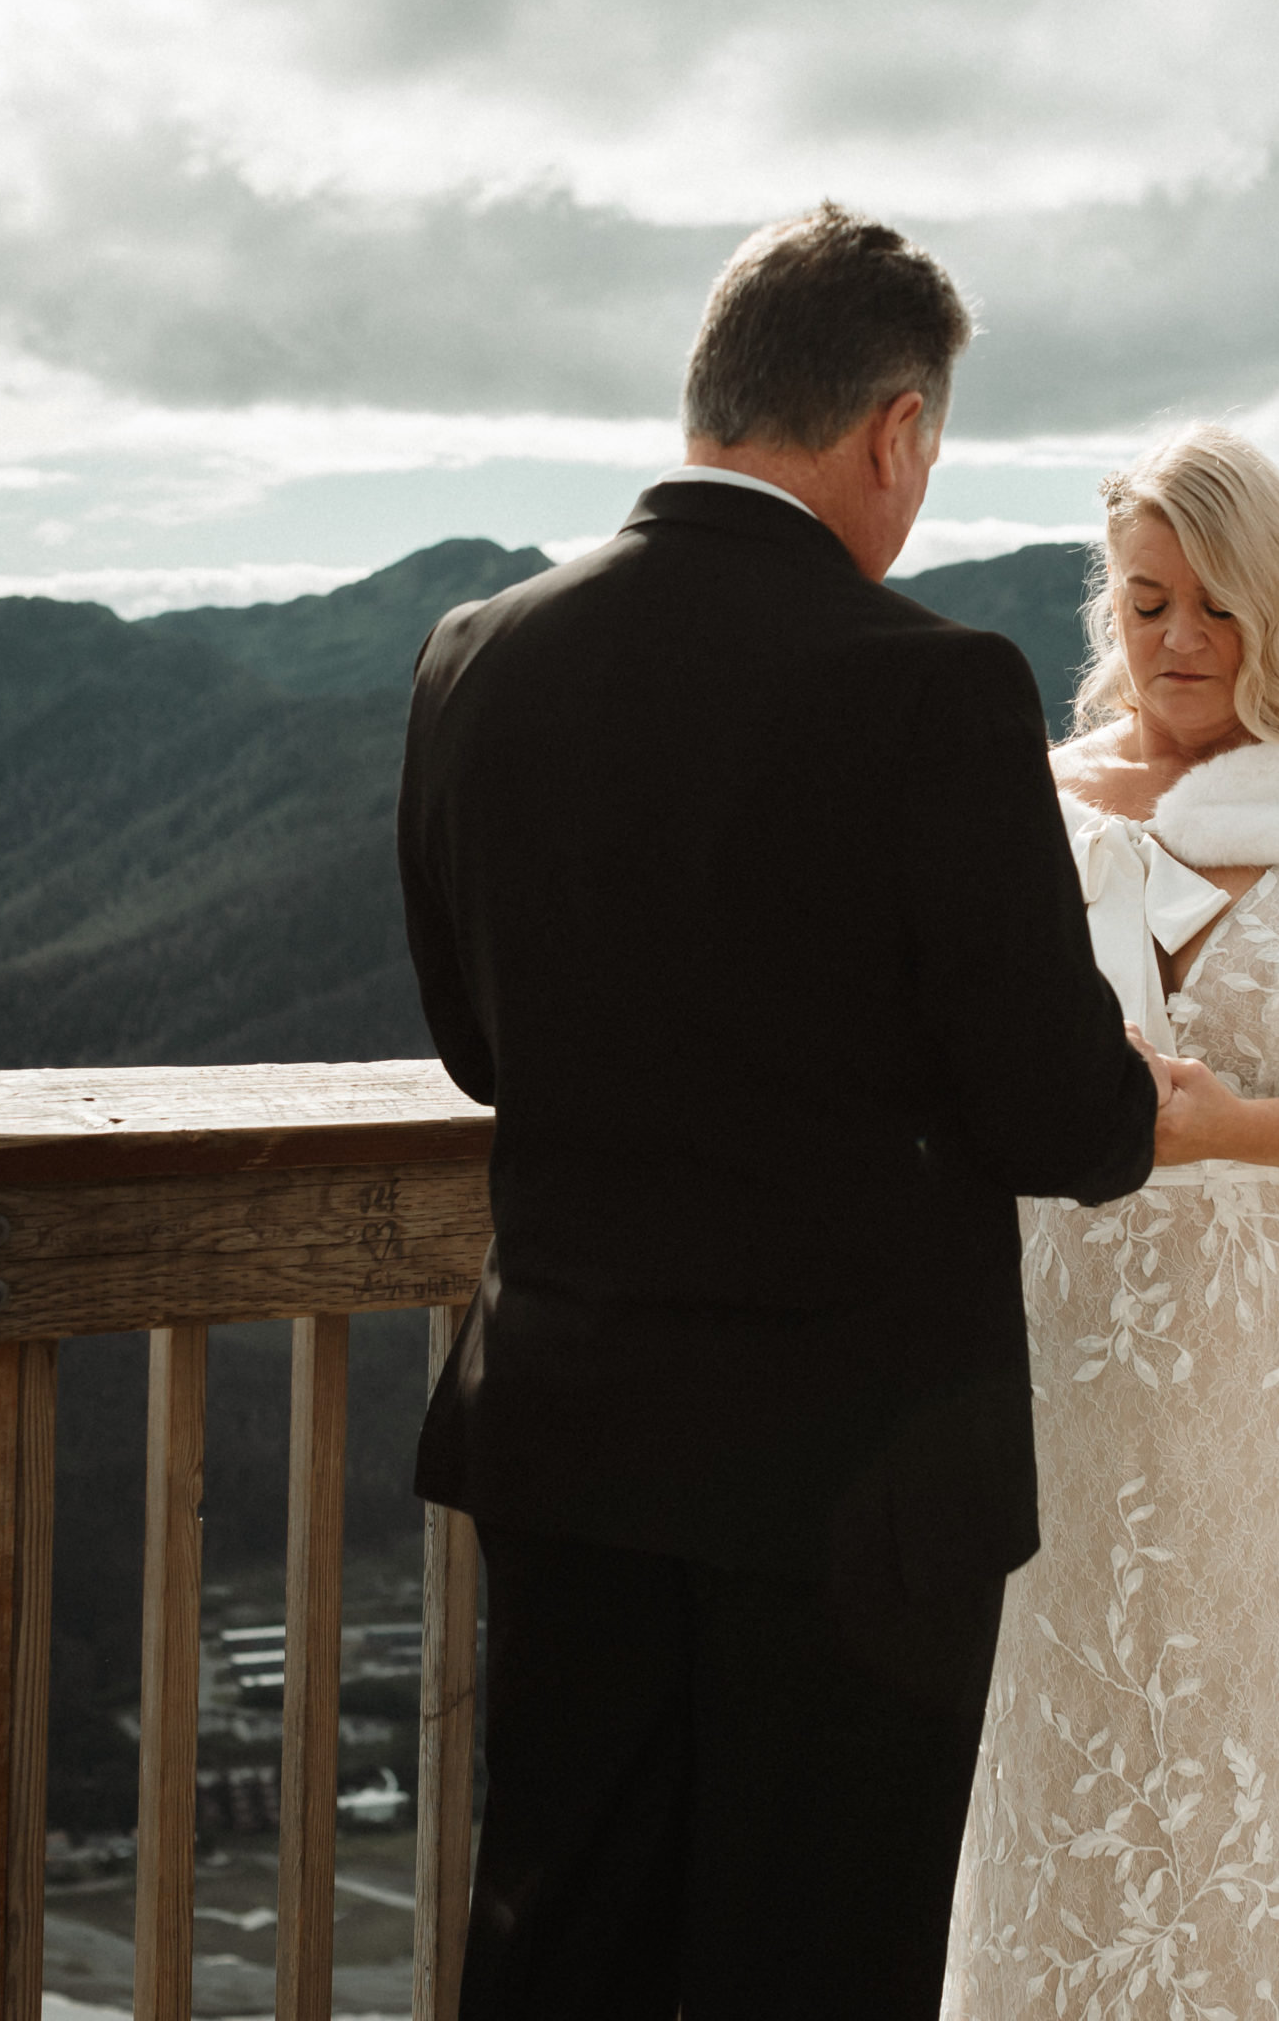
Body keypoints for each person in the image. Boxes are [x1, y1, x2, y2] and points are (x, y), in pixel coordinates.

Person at [397, 202, 1164, 2021]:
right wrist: (1137, 1090)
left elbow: (475, 1045)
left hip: (568, 1437)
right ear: (895, 428)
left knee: (562, 1939)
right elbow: (1060, 1117)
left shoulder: (474, 654)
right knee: (816, 1965)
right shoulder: (934, 684)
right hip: (855, 1490)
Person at [942, 424, 1279, 2021]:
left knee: (1259, 1702)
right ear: (1107, 611)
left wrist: (1223, 1126)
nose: (1180, 640)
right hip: (1057, 1333)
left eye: (1220, 606)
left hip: (1272, 1355)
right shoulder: (1033, 802)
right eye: (1146, 602)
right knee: (1062, 1716)